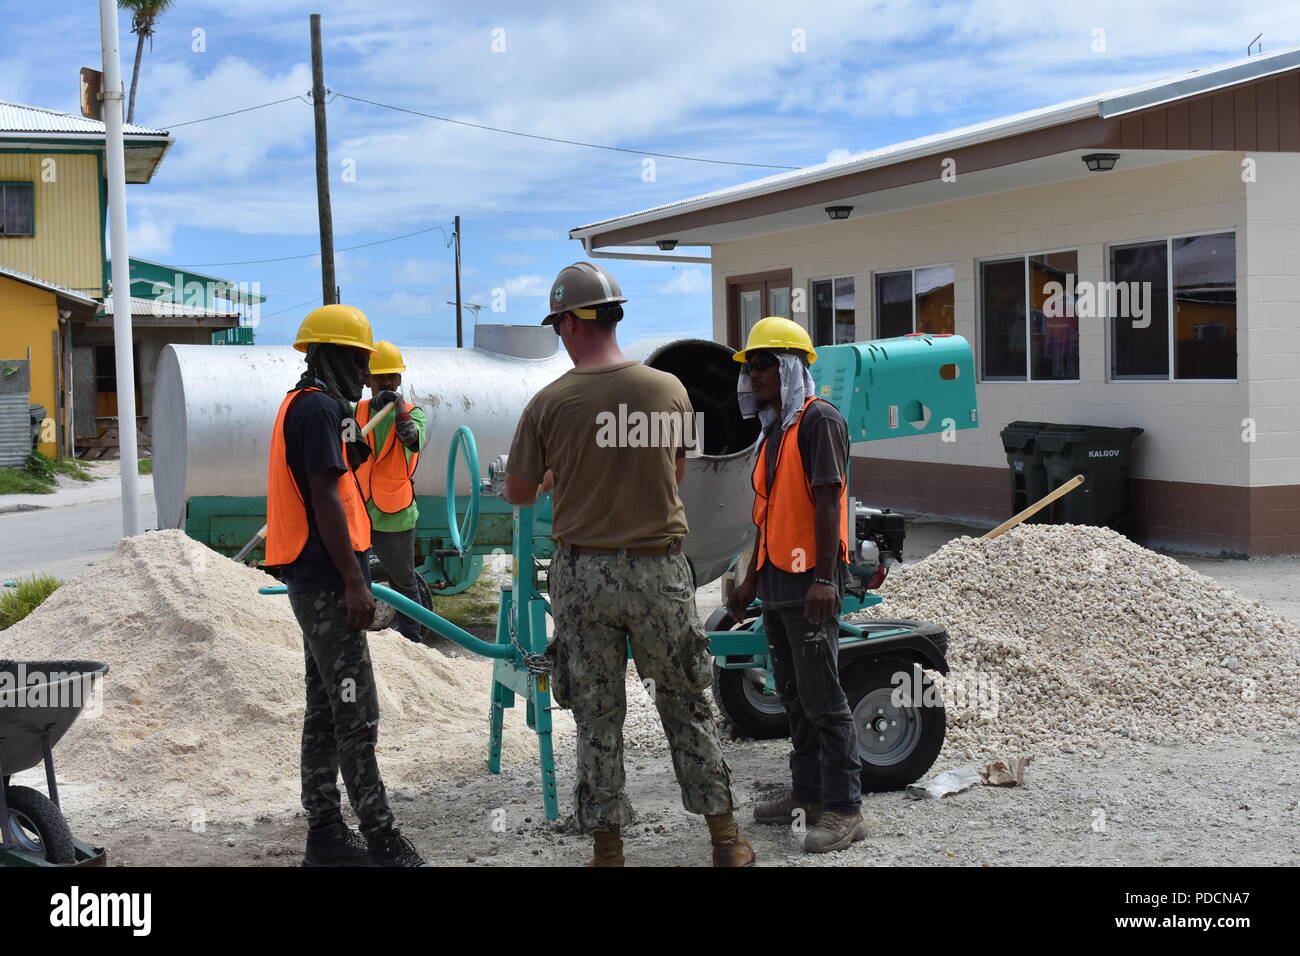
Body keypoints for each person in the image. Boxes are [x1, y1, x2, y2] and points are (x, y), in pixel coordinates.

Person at [502, 261, 754, 867]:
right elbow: (675, 471)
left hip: (583, 576)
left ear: (570, 322)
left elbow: (517, 492)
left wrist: (559, 477)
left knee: (597, 713)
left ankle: (609, 851)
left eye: (559, 325)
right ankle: (725, 840)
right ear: (613, 318)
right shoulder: (669, 391)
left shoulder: (549, 402)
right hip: (658, 572)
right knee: (685, 701)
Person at [265, 304, 425, 867]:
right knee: (357, 715)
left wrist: (377, 419)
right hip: (329, 584)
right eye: (359, 361)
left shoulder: (308, 405)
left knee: (325, 710)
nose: (366, 372)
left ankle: (326, 836)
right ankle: (383, 841)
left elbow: (346, 459)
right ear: (331, 355)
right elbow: (327, 497)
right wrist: (356, 582)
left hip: (314, 579)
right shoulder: (318, 409)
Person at [725, 316, 865, 854]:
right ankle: (806, 794)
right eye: (750, 367)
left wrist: (826, 578)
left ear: (788, 367)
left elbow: (829, 502)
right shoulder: (774, 432)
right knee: (794, 699)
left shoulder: (818, 420)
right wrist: (749, 582)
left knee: (823, 699)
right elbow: (768, 515)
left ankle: (846, 809)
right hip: (778, 584)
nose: (753, 375)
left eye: (763, 365)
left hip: (811, 585)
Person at [356, 341, 427, 643]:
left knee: (404, 584)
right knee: (354, 582)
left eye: (391, 376)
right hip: (358, 509)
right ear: (367, 380)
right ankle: (355, 640)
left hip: (394, 512)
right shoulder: (355, 412)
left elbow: (412, 440)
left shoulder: (413, 414)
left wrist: (398, 409)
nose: (385, 382)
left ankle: (413, 643)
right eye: (379, 377)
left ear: (399, 379)